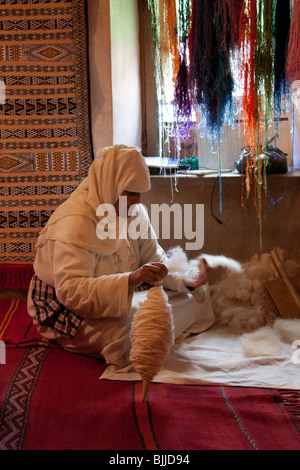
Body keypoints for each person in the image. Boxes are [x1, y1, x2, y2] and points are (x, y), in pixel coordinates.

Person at [27, 145, 215, 368]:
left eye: (139, 193)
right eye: (129, 192)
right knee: (132, 329)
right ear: (110, 185)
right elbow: (72, 293)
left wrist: (185, 279)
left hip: (122, 295)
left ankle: (158, 332)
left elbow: (154, 259)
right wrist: (130, 280)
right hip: (69, 310)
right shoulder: (75, 221)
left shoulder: (134, 211)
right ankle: (145, 338)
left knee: (199, 294)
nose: (137, 200)